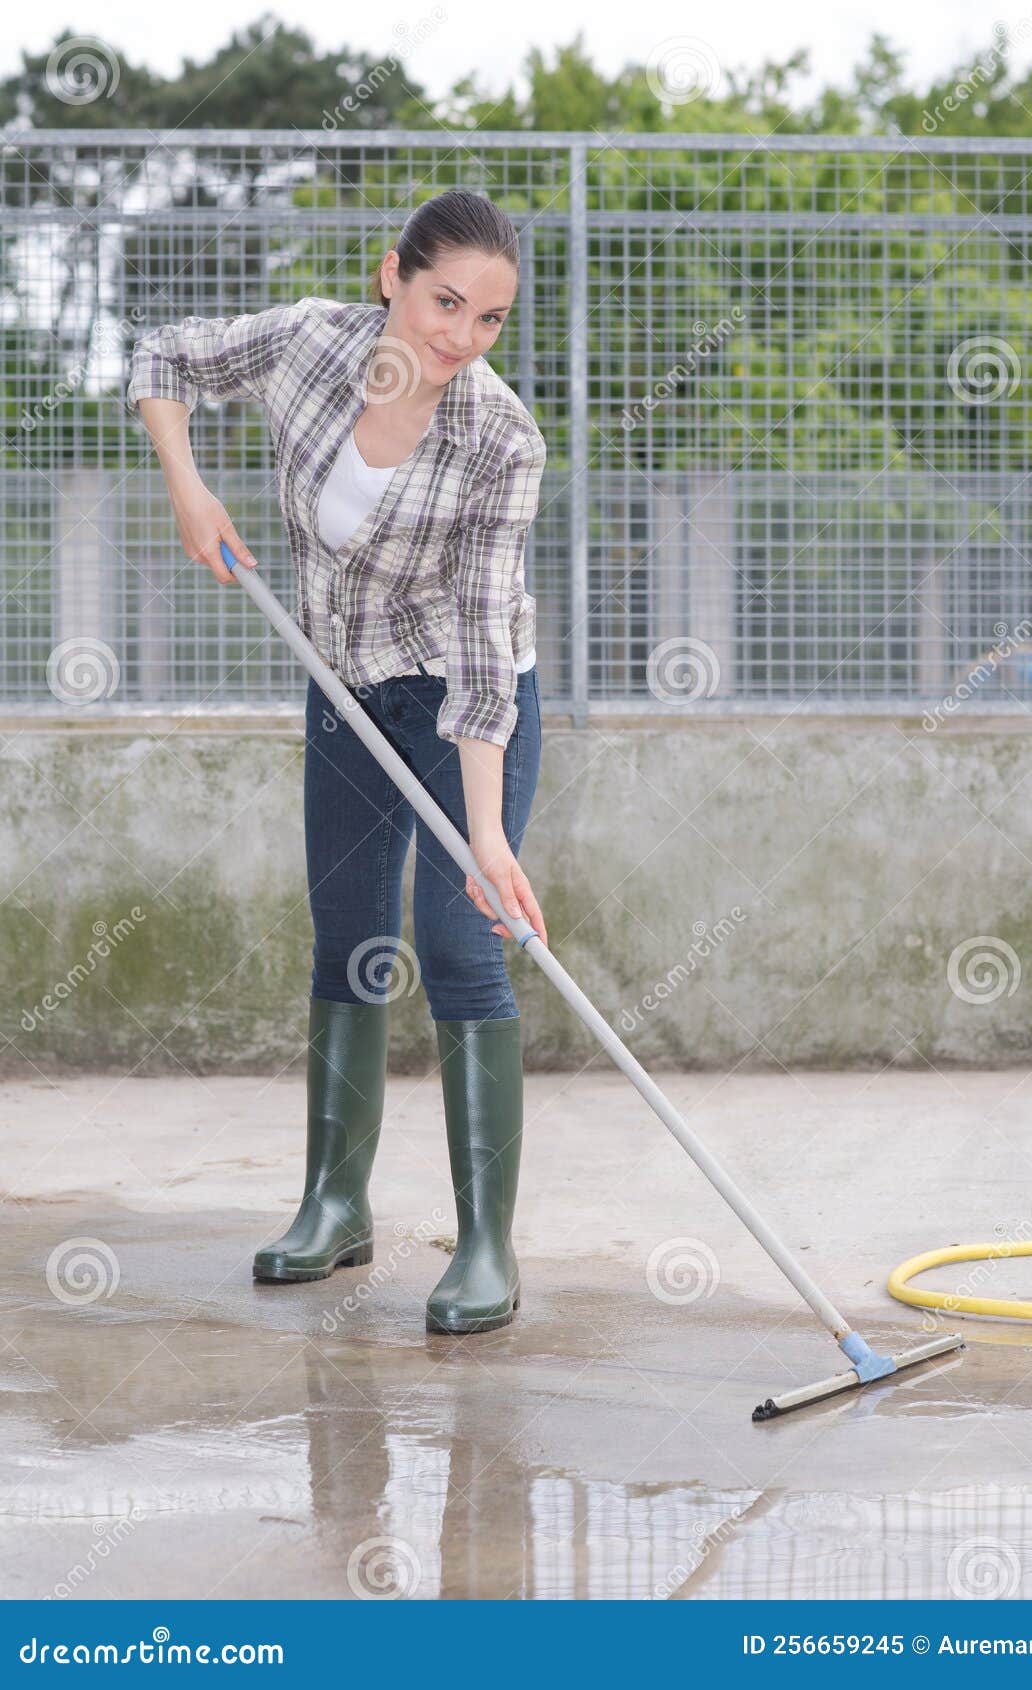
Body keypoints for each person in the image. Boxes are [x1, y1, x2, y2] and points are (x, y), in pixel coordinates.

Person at [126, 189, 548, 1335]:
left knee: (461, 945)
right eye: (443, 302)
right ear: (390, 279)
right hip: (341, 684)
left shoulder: (500, 439)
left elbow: (475, 655)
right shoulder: (311, 341)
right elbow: (162, 355)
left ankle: (485, 1249)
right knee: (350, 934)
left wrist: (487, 837)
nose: (458, 338)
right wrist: (189, 485)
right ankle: (333, 1202)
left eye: (488, 319)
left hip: (466, 701)